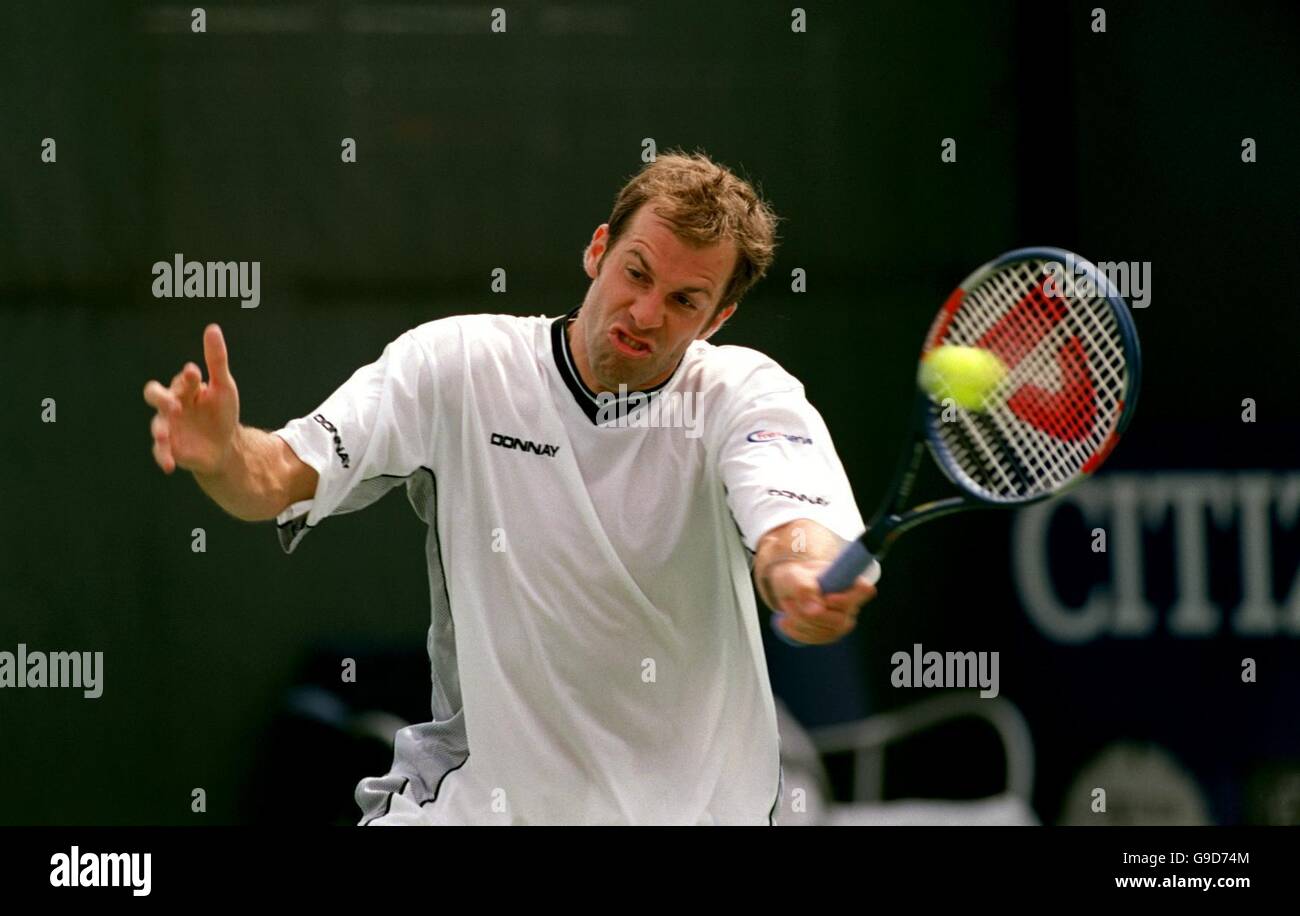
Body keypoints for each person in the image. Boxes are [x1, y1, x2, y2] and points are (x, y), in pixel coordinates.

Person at [142, 149, 877, 825]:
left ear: (718, 318)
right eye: (637, 272)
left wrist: (798, 573)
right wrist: (223, 456)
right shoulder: (457, 366)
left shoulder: (744, 395)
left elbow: (792, 524)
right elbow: (274, 479)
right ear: (598, 250)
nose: (647, 313)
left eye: (685, 300)